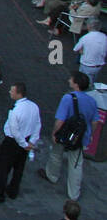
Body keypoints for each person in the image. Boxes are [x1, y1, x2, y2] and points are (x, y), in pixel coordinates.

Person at [38, 72, 95, 201]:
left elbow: (60, 120)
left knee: (56, 154)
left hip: (64, 134)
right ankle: (73, 194)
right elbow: (95, 121)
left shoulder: (67, 98)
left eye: (71, 79)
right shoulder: (92, 100)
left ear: (76, 84)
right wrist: (89, 134)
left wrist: (54, 133)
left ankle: (52, 175)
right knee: (76, 164)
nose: (69, 80)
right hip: (79, 137)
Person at [0, 83, 41, 205]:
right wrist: (31, 142)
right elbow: (37, 125)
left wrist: (23, 143)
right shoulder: (34, 106)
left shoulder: (15, 111)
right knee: (19, 168)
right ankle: (13, 190)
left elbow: (14, 131)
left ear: (18, 93)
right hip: (26, 140)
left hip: (12, 142)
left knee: (2, 169)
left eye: (12, 91)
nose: (10, 92)